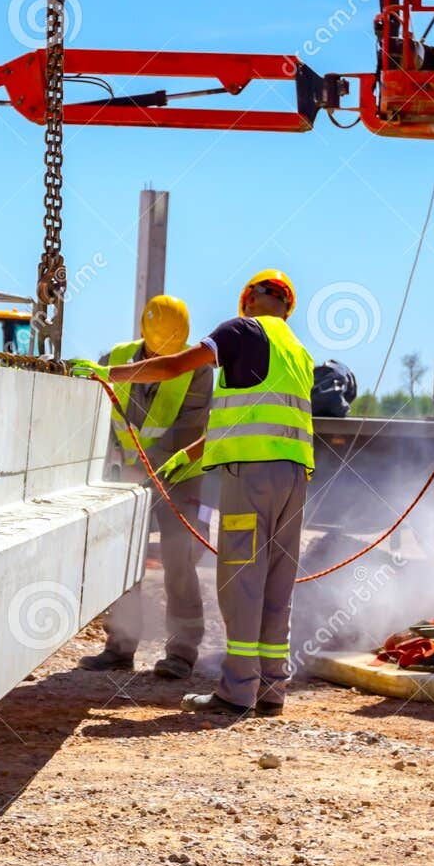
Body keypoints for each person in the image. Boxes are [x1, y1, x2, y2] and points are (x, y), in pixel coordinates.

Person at [73, 270, 314, 719]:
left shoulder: (241, 329)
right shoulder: (299, 353)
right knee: (277, 587)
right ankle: (269, 690)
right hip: (294, 479)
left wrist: (109, 374)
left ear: (248, 299)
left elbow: (175, 365)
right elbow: (245, 417)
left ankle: (236, 692)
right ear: (288, 306)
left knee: (241, 582)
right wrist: (191, 453)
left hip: (250, 476)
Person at [76, 296, 213, 680]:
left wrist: (150, 471)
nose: (162, 354)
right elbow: (102, 417)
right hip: (127, 479)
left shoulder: (196, 370)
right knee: (123, 561)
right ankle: (119, 647)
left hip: (180, 474)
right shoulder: (116, 357)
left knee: (179, 561)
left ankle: (182, 653)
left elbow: (188, 432)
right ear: (142, 334)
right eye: (156, 348)